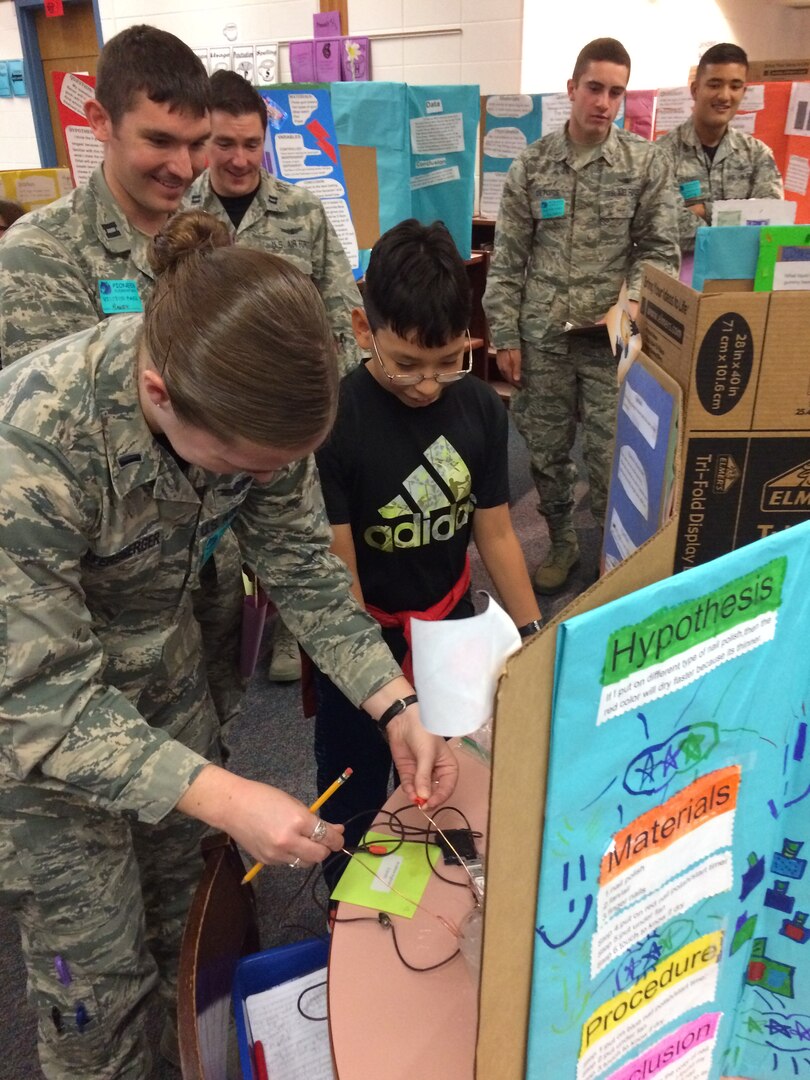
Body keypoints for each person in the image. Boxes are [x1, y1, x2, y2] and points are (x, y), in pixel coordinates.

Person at [0, 212, 457, 1080]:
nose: (263, 481)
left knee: (191, 933)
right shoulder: (28, 451)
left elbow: (303, 568)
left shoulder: (259, 408)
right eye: (247, 468)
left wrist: (393, 700)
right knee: (96, 983)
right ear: (160, 393)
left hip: (167, 692)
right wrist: (228, 797)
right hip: (38, 749)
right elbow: (41, 698)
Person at [314, 219, 542, 883]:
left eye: (448, 361)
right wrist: (381, 685)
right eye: (407, 363)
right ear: (364, 329)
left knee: (449, 779)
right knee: (355, 789)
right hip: (362, 640)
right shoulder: (338, 422)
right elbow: (340, 576)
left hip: (449, 628)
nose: (427, 384)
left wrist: (533, 636)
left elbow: (496, 533)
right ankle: (346, 901)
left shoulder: (480, 409)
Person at [483, 38, 680, 594]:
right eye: (594, 88)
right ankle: (562, 541)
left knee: (612, 452)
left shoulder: (644, 163)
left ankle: (615, 550)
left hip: (608, 338)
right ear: (571, 89)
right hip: (543, 336)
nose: (604, 102)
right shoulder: (533, 165)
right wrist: (505, 336)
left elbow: (658, 250)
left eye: (616, 92)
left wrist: (633, 302)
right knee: (545, 452)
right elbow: (508, 259)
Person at [186, 69, 364, 683]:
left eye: (250, 144)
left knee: (294, 530)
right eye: (224, 144)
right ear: (204, 141)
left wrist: (334, 405)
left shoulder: (302, 211)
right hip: (206, 417)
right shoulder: (180, 212)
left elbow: (342, 310)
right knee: (214, 544)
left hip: (285, 416)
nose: (239, 160)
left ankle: (289, 632)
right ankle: (223, 638)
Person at [0, 25, 211, 367]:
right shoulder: (39, 253)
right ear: (100, 121)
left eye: (198, 143)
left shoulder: (204, 232)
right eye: (159, 141)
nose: (184, 169)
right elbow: (63, 397)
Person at [657, 42, 784, 255]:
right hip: (679, 274)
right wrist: (739, 219)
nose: (725, 96)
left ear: (743, 92)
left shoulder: (757, 156)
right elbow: (663, 228)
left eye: (735, 86)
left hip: (741, 274)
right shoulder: (661, 155)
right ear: (695, 90)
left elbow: (770, 223)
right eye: (715, 85)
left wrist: (705, 210)